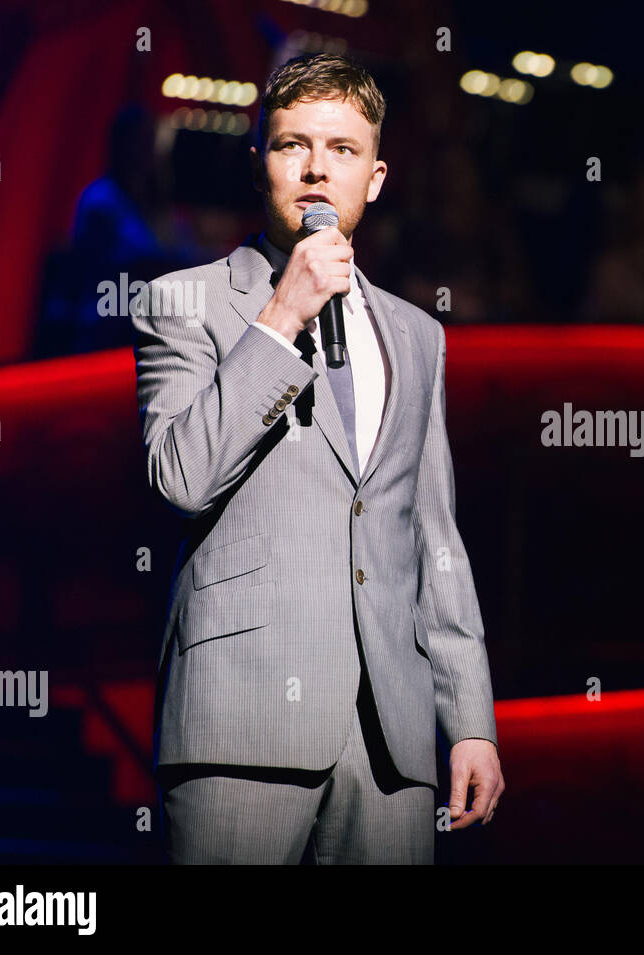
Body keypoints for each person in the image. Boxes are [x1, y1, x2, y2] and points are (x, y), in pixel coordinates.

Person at [131, 53, 503, 864]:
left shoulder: (418, 336)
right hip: (242, 716)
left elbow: (432, 534)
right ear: (258, 160)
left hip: (391, 745)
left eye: (340, 149)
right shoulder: (183, 301)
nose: (313, 168)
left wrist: (469, 718)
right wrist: (282, 313)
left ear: (373, 179)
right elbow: (181, 477)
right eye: (291, 144)